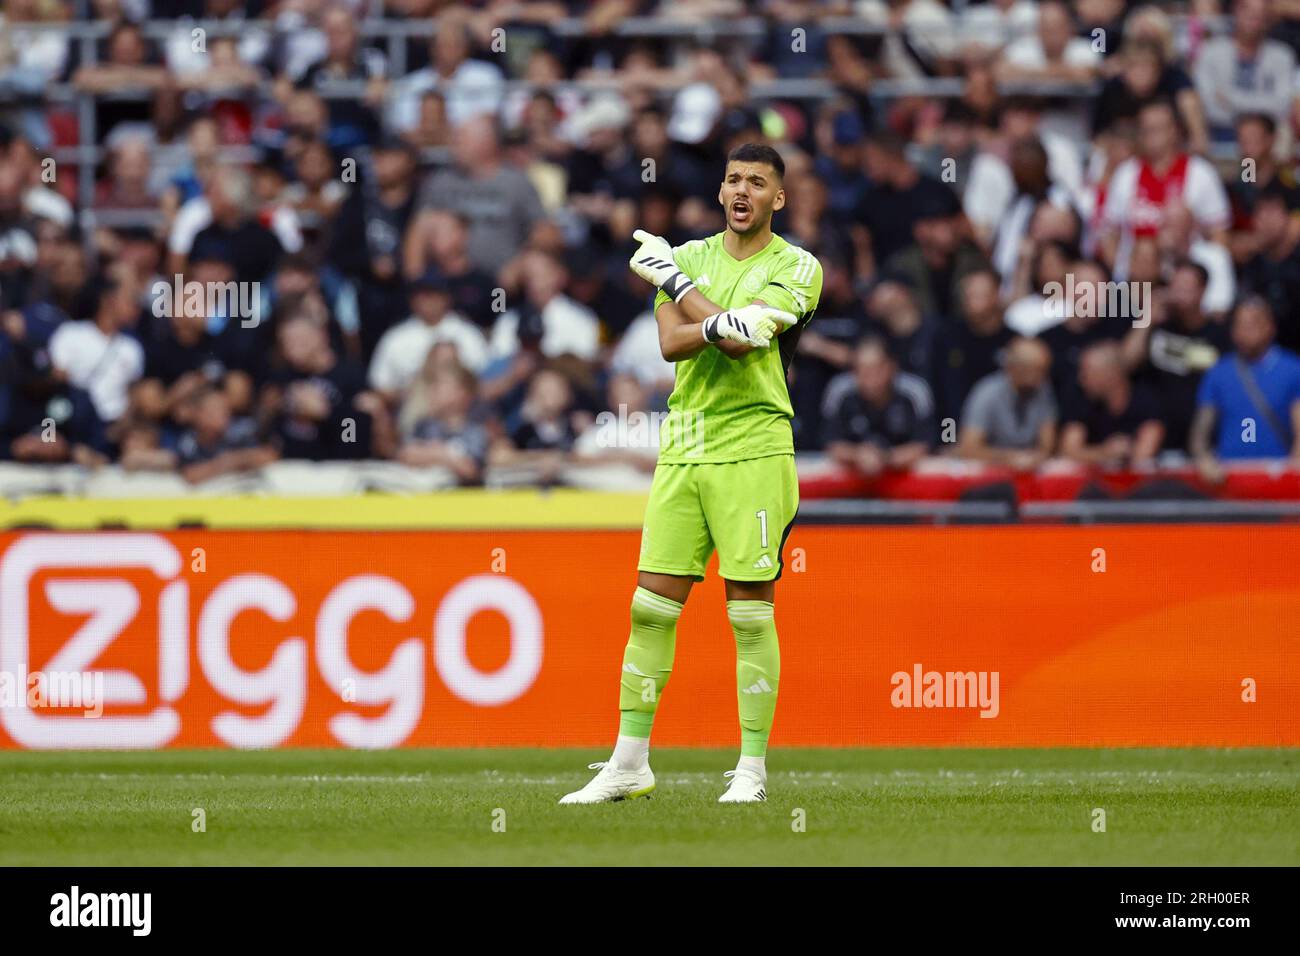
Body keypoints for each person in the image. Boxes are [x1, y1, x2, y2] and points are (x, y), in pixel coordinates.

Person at [560, 144, 822, 806]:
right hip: (685, 444)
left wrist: (673, 287)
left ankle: (752, 771)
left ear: (777, 199)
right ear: (720, 190)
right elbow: (672, 344)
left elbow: (743, 338)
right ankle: (628, 763)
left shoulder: (799, 267)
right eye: (733, 179)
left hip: (755, 448)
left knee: (749, 615)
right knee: (649, 608)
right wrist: (697, 302)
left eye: (757, 183)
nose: (742, 190)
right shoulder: (689, 254)